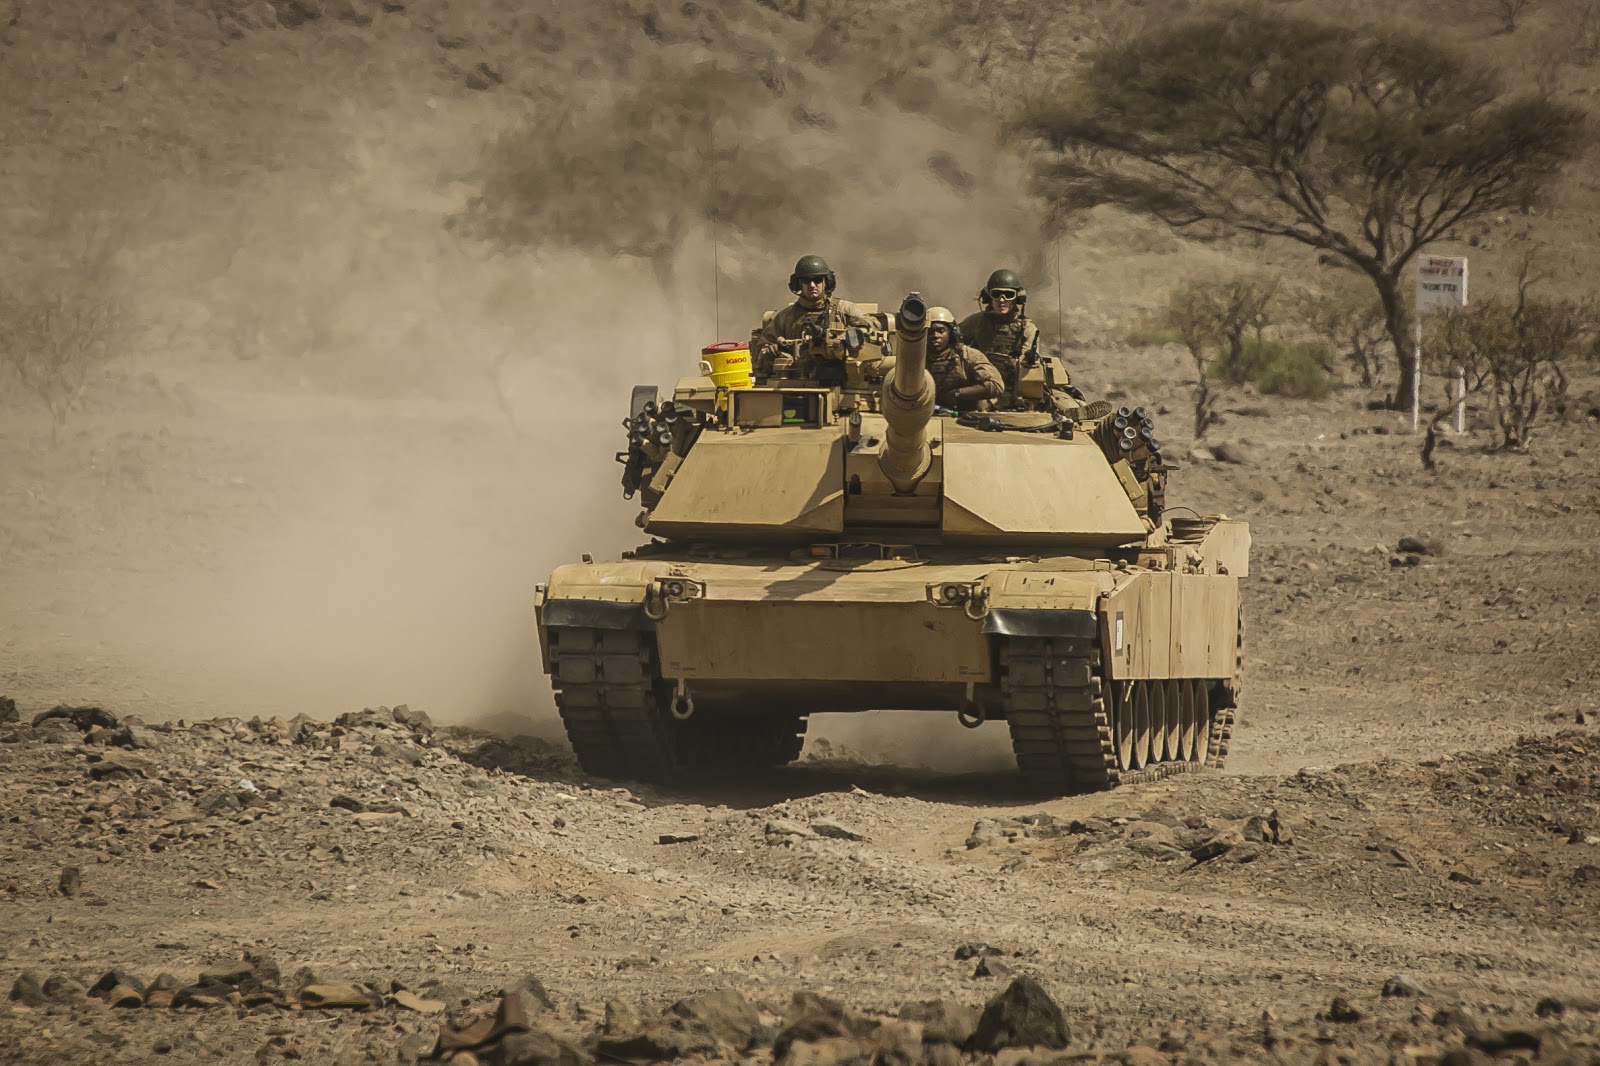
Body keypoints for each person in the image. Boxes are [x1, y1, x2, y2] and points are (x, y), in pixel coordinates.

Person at [752, 255, 877, 380]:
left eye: (817, 280)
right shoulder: (786, 317)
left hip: (843, 382)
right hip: (795, 384)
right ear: (799, 284)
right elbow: (761, 354)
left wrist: (854, 332)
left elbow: (874, 327)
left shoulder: (844, 310)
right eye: (806, 281)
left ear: (826, 282)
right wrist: (771, 352)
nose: (812, 285)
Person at [958, 268, 1041, 398]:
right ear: (988, 296)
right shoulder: (977, 322)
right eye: (996, 294)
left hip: (1015, 393)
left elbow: (1026, 368)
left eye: (1008, 295)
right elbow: (952, 342)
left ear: (1017, 299)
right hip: (981, 390)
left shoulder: (1027, 329)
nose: (1001, 300)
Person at [925, 306, 1003, 411]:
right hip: (926, 416)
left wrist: (959, 393)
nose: (935, 335)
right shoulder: (916, 358)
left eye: (941, 330)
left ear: (952, 333)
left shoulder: (968, 356)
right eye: (930, 331)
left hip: (966, 417)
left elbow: (996, 385)